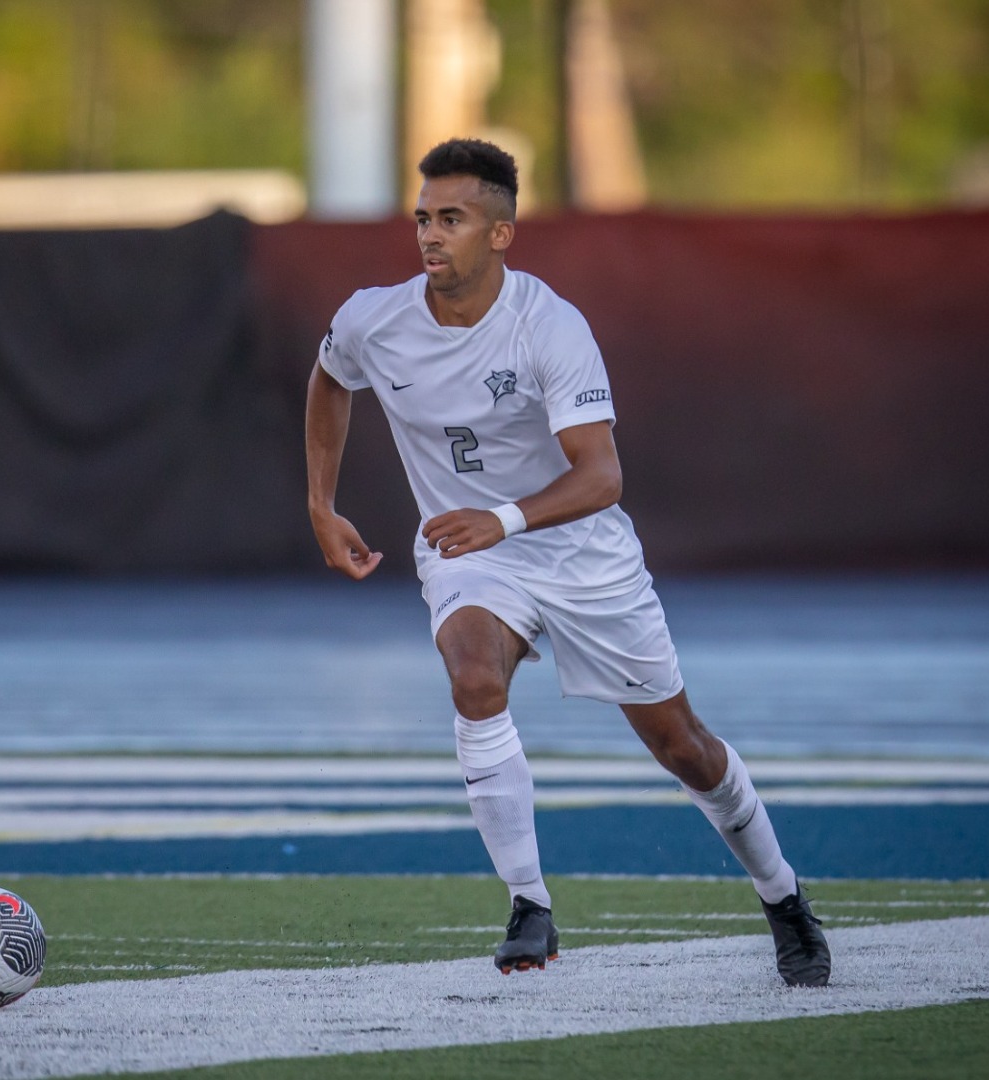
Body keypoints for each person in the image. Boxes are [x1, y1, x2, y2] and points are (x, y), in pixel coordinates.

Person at [303, 138, 831, 987]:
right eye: (423, 218)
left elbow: (602, 476)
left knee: (684, 748)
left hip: (581, 556)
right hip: (469, 553)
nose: (430, 235)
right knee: (474, 676)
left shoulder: (550, 326)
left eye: (452, 219)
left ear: (500, 234)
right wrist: (321, 506)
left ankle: (784, 897)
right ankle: (529, 903)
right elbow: (330, 379)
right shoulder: (375, 318)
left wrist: (503, 518)